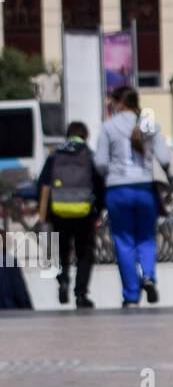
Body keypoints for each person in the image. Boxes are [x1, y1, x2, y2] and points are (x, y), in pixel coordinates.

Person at [94, 86, 173, 309]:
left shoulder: (109, 126)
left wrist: (112, 170)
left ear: (119, 103)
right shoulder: (148, 124)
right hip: (145, 189)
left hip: (118, 190)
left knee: (124, 241)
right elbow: (165, 159)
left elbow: (100, 163)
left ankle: (131, 296)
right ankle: (148, 276)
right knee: (146, 237)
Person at [36, 120, 106, 310]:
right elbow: (99, 185)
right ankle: (81, 294)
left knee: (62, 250)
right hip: (84, 211)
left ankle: (63, 281)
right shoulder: (89, 155)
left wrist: (44, 213)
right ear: (85, 136)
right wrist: (98, 211)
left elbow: (43, 184)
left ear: (67, 135)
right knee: (84, 252)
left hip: (59, 210)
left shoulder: (55, 154)